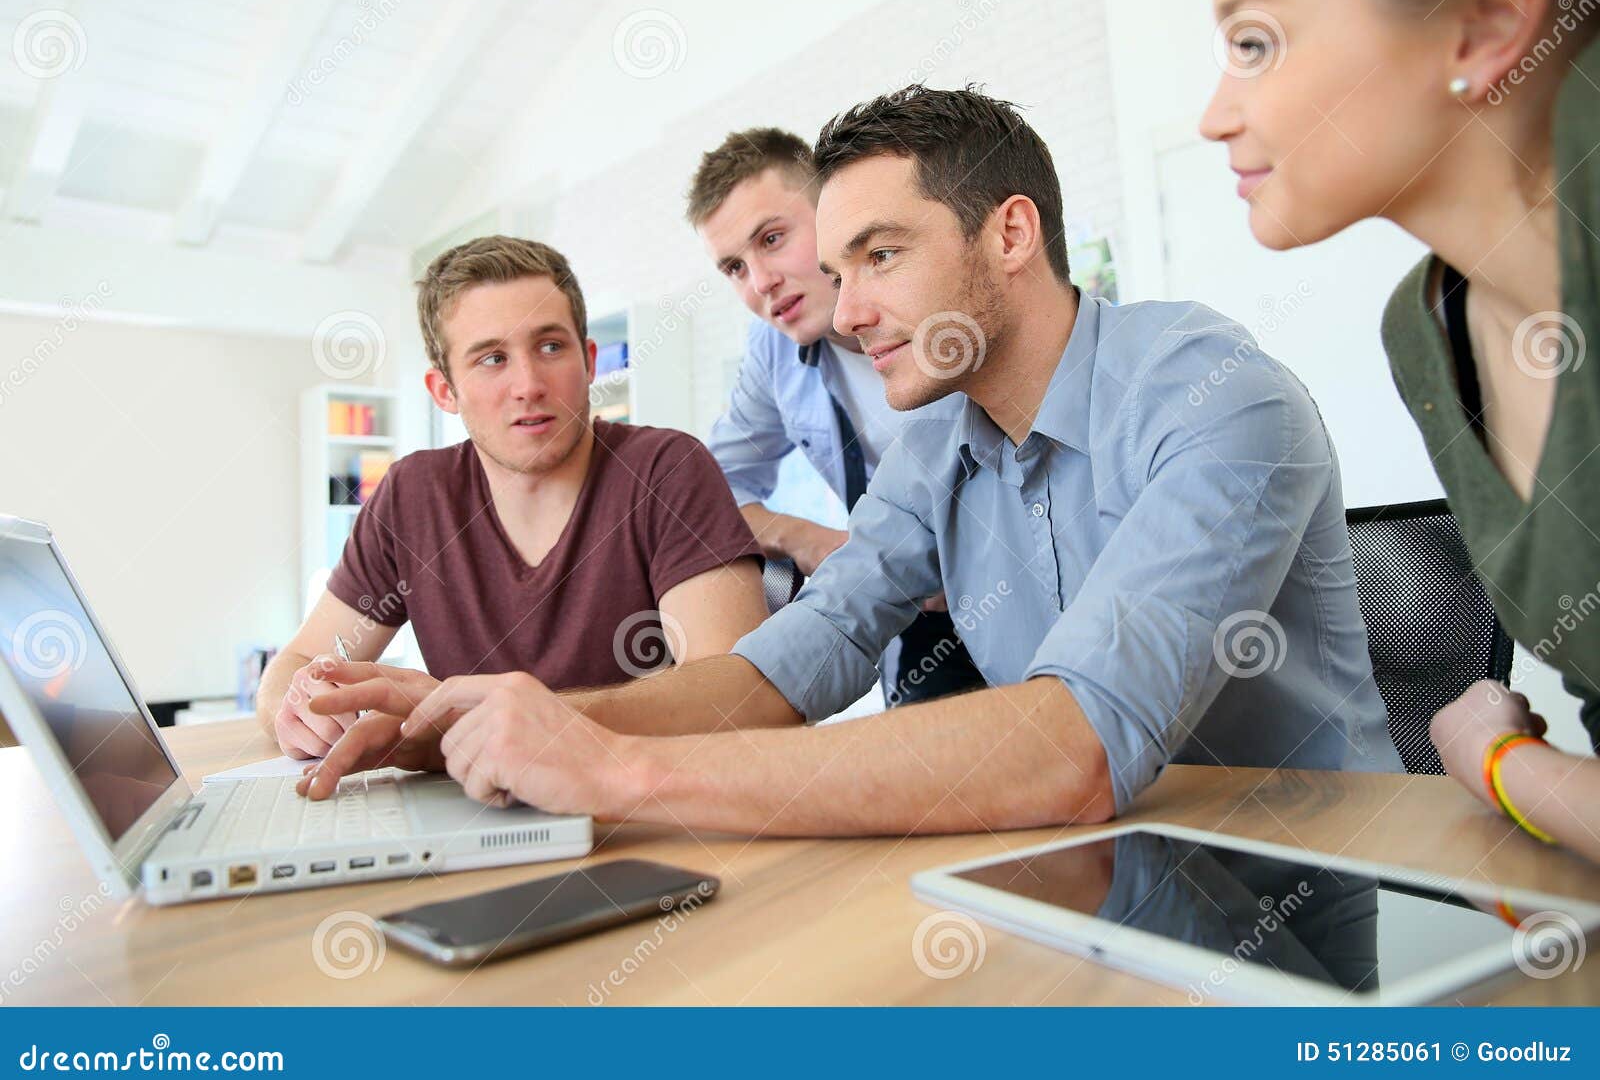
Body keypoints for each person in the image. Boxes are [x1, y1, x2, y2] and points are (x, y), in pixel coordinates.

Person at [298, 87, 1400, 834]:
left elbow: (1073, 747)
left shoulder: (1213, 395)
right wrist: (484, 716)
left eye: (881, 256)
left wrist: (617, 768)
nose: (849, 308)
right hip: (1110, 869)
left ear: (1010, 235)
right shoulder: (936, 447)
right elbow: (781, 672)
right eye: (840, 267)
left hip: (1338, 882)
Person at [1201, 0, 1600, 861]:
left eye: (1255, 43)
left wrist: (1502, 763)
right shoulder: (1426, 330)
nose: (1214, 115)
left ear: (1487, 23)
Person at [256, 235, 768, 759]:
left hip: (644, 798)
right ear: (444, 391)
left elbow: (737, 696)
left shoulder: (668, 470)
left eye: (551, 347)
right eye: (492, 358)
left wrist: (476, 725)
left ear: (589, 361)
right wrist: (298, 713)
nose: (528, 384)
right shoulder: (411, 496)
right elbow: (295, 664)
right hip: (466, 800)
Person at [691, 127, 985, 706]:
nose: (761, 282)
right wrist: (809, 540)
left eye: (773, 239)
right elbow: (706, 496)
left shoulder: (940, 295)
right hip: (920, 616)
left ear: (831, 213)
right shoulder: (773, 351)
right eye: (734, 268)